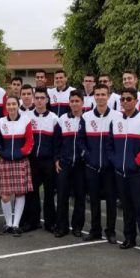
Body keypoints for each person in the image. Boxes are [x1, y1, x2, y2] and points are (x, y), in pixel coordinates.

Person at [109, 88, 140, 254]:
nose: (125, 102)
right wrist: (116, 162)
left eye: (129, 99)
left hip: (137, 172)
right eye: (123, 99)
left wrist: (136, 162)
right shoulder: (115, 120)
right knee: (127, 208)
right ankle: (129, 238)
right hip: (120, 172)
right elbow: (110, 146)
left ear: (136, 100)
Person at [79, 84, 121, 244]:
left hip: (110, 169)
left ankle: (110, 231)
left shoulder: (118, 116)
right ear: (94, 96)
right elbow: (81, 141)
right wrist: (88, 157)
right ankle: (95, 230)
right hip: (92, 167)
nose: (100, 97)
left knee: (111, 201)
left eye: (103, 94)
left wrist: (114, 160)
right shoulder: (86, 116)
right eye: (97, 94)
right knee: (94, 201)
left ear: (109, 96)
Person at [0, 96, 34, 237]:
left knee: (20, 193)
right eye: (9, 104)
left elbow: (30, 142)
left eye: (14, 104)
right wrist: (3, 153)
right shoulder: (0, 122)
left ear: (18, 105)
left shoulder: (26, 121)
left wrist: (20, 153)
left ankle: (16, 224)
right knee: (5, 196)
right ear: (6, 106)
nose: (11, 106)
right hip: (5, 162)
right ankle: (8, 223)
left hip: (20, 161)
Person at [23, 87, 59, 233]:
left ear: (47, 100)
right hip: (32, 161)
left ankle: (50, 223)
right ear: (33, 99)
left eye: (42, 98)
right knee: (32, 193)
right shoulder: (26, 118)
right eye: (36, 97)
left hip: (48, 161)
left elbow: (57, 143)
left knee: (49, 193)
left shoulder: (54, 119)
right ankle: (33, 221)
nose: (39, 100)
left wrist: (55, 159)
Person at [53, 90, 87, 238]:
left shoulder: (87, 119)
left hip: (81, 165)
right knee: (62, 197)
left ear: (82, 103)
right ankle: (62, 227)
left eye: (77, 101)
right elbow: (56, 142)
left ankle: (77, 227)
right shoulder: (62, 119)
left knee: (80, 198)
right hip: (64, 164)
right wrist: (56, 159)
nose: (74, 104)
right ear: (69, 103)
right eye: (72, 101)